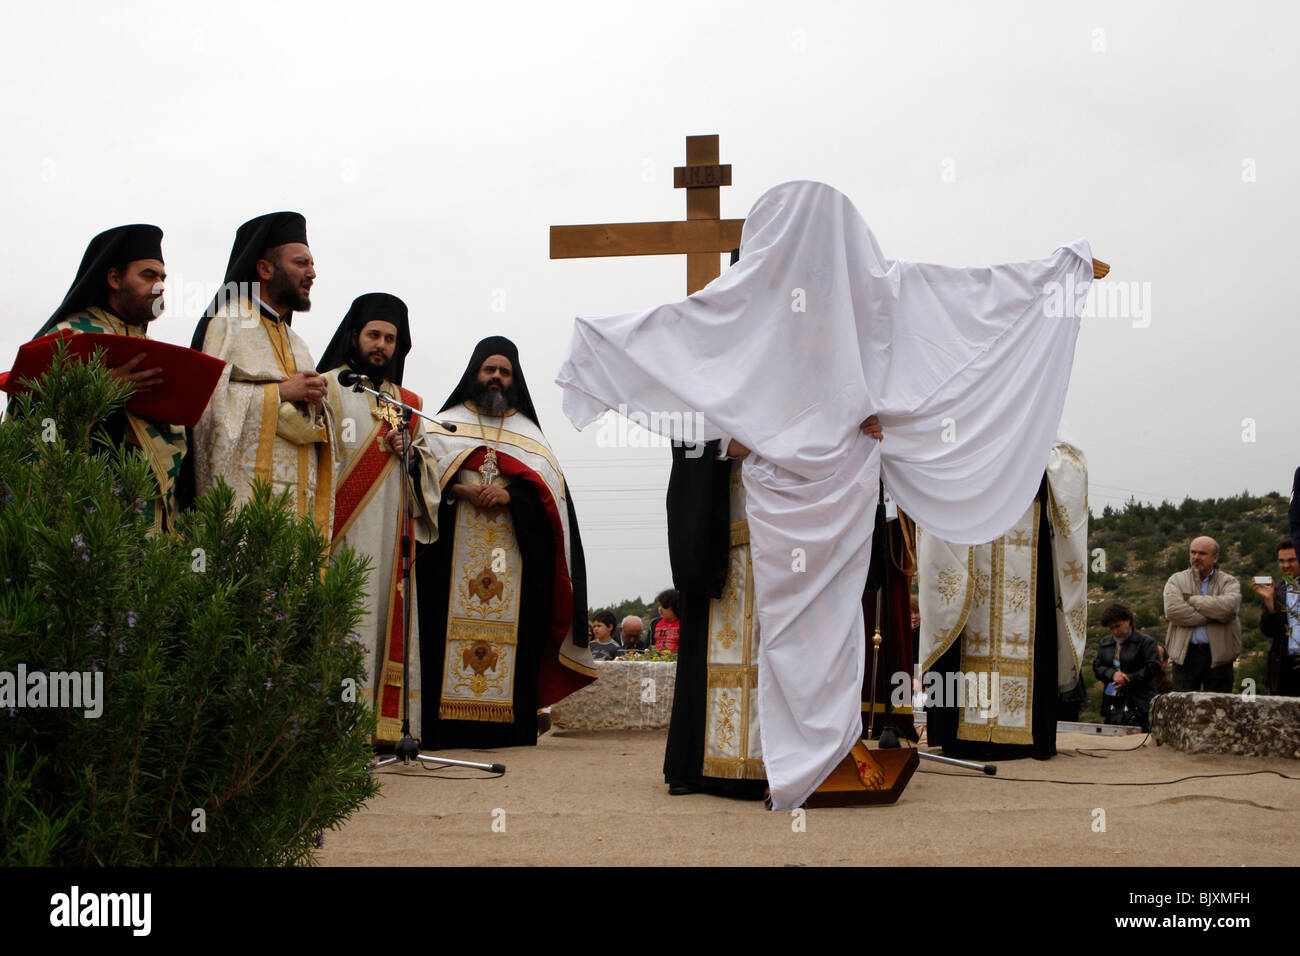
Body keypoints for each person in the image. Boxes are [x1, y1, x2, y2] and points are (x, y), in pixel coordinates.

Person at [557, 180, 1098, 809]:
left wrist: (1060, 274)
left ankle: (813, 756)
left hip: (827, 515)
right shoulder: (722, 315)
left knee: (822, 633)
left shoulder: (868, 312)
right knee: (740, 642)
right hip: (734, 520)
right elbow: (665, 373)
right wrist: (730, 441)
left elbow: (967, 308)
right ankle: (729, 762)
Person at [416, 336, 596, 747]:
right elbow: (417, 483)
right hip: (449, 562)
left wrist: (511, 496)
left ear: (514, 379)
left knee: (515, 637)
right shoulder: (443, 425)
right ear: (474, 373)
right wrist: (459, 490)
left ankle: (508, 729)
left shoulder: (530, 436)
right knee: (442, 633)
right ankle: (443, 730)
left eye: (505, 371)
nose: (496, 377)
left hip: (513, 562)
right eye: (489, 369)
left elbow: (551, 504)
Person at [317, 293, 440, 742]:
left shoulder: (405, 403)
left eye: (391, 338)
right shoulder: (326, 386)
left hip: (391, 540)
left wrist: (411, 455)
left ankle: (382, 732)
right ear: (354, 336)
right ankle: (336, 731)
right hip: (340, 534)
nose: (382, 345)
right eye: (374, 335)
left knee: (382, 620)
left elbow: (427, 472)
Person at [919, 441, 1089, 759]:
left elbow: (1070, 463)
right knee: (962, 617)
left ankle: (1025, 735)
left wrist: (1026, 456)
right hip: (971, 538)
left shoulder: (1038, 421)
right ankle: (961, 737)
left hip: (1027, 531)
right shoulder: (964, 429)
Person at [28, 224, 185, 533]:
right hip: (85, 513)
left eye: (162, 278)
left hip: (148, 510)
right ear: (114, 278)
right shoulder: (67, 336)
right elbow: (33, 418)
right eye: (148, 276)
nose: (160, 286)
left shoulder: (151, 347)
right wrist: (102, 391)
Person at [188, 212, 332, 533]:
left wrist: (318, 406)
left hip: (295, 513)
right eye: (301, 263)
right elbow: (207, 408)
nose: (312, 273)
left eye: (311, 264)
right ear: (265, 269)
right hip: (246, 509)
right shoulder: (229, 323)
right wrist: (279, 393)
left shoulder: (299, 345)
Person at [1163, 535, 1241, 692]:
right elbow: (1172, 611)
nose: (1196, 557)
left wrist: (1192, 600)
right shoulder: (1176, 580)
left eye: (1202, 553)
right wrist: (1214, 612)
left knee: (1219, 709)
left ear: (1215, 558)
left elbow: (1229, 609)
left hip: (1219, 657)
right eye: (1193, 552)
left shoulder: (1229, 582)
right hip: (1185, 656)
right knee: (1184, 709)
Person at [1092, 603, 1162, 731]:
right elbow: (1098, 667)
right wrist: (1112, 675)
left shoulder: (1146, 642)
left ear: (1128, 621)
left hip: (1140, 699)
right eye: (1111, 628)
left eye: (1117, 626)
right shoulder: (1105, 643)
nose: (1115, 631)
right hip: (1113, 699)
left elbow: (1153, 666)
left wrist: (1129, 678)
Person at [1255, 538, 1300, 696]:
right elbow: (1268, 631)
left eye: (1291, 560)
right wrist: (1269, 602)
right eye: (1282, 561)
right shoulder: (1277, 591)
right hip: (1284, 665)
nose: (1286, 565)